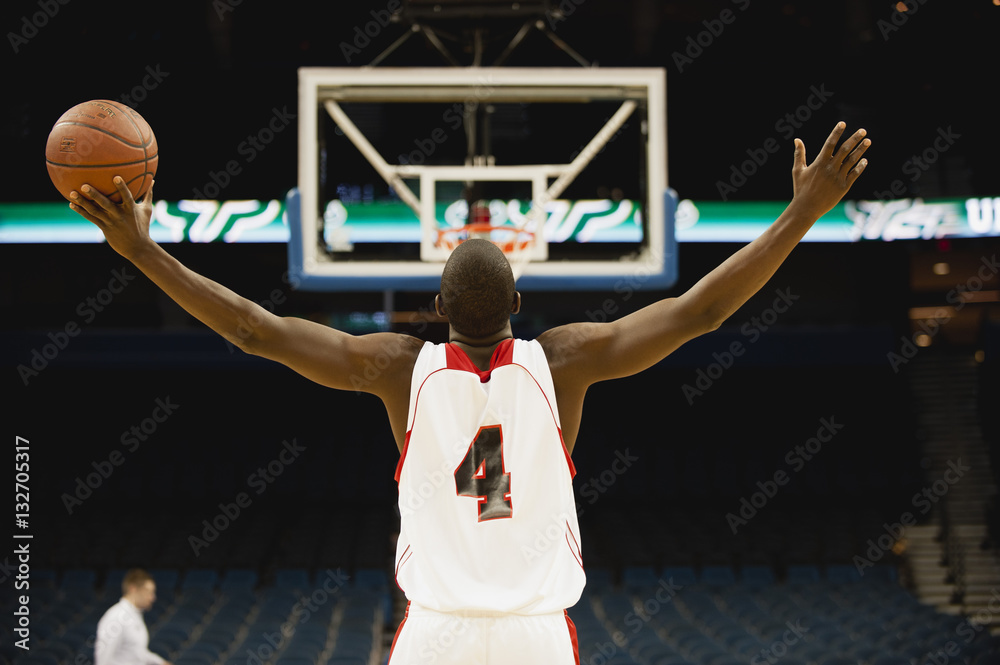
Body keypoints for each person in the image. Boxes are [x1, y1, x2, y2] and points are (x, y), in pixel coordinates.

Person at [69, 122, 870, 664]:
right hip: (536, 635)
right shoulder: (564, 360)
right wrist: (799, 214)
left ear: (438, 308)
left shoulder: (396, 368)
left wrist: (143, 251)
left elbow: (253, 327)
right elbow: (702, 310)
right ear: (519, 303)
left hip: (435, 636)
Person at [94, 569, 173, 665]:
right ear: (133, 589)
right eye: (148, 591)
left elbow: (136, 653)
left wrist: (160, 662)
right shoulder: (116, 616)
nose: (152, 597)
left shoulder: (135, 615)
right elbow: (102, 660)